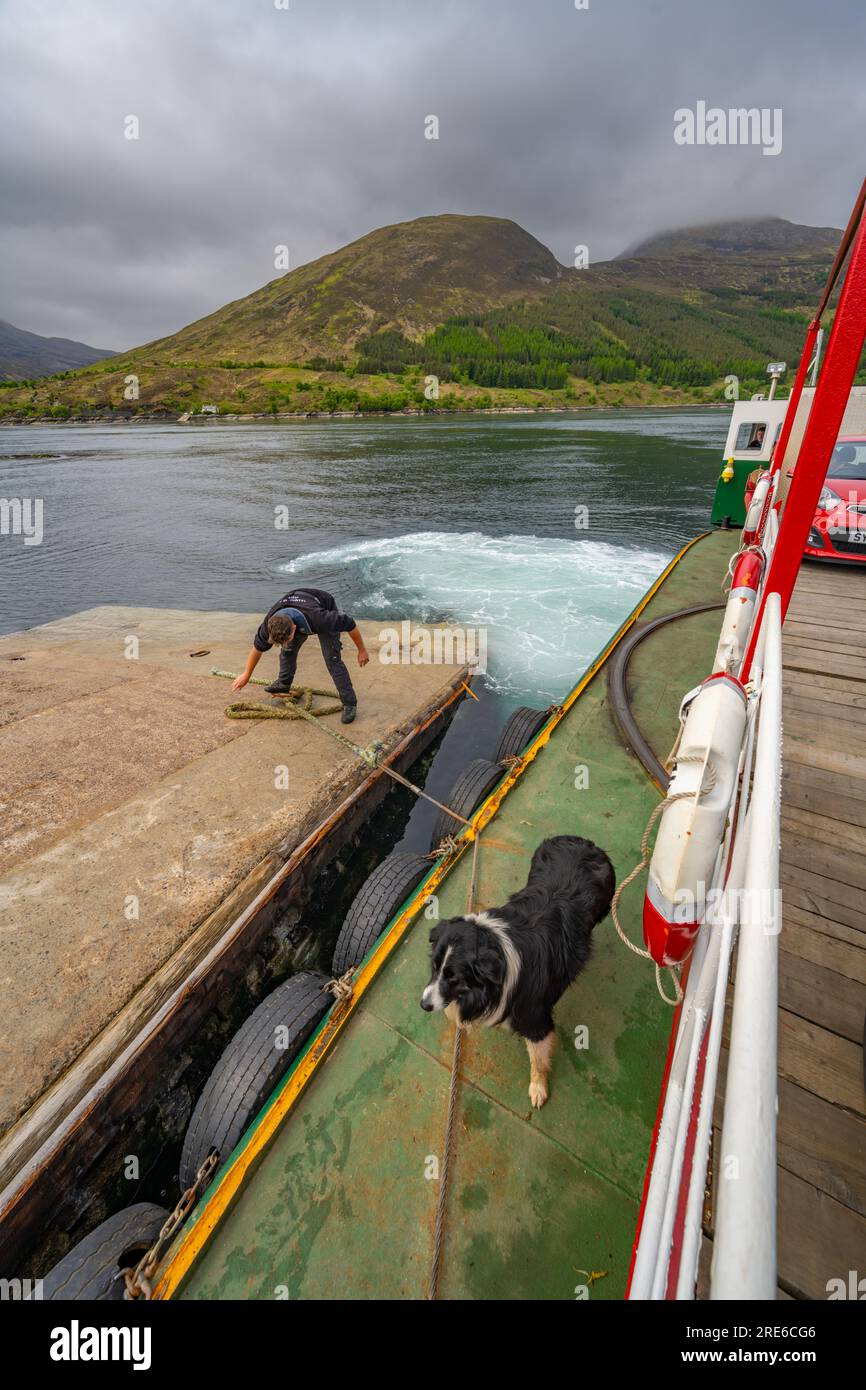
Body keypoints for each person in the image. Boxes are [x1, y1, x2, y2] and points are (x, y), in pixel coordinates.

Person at [231, 587, 369, 724]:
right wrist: (246, 674)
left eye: (287, 638)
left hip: (321, 603)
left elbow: (350, 624)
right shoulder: (268, 626)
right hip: (295, 604)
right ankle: (283, 683)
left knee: (332, 659)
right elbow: (257, 649)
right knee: (287, 651)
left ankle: (350, 703)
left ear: (294, 629)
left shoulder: (321, 618)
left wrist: (361, 650)